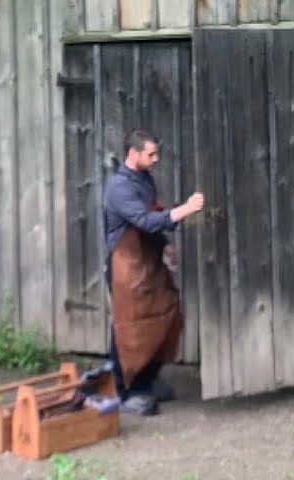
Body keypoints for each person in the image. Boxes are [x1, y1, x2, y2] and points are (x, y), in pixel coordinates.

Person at [102, 128, 204, 416]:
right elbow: (145, 221)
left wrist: (165, 245)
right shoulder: (119, 188)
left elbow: (152, 217)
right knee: (129, 329)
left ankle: (147, 380)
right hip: (127, 267)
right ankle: (126, 391)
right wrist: (185, 209)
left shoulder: (144, 179)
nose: (156, 159)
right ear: (133, 154)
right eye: (151, 154)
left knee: (167, 317)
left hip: (149, 261)